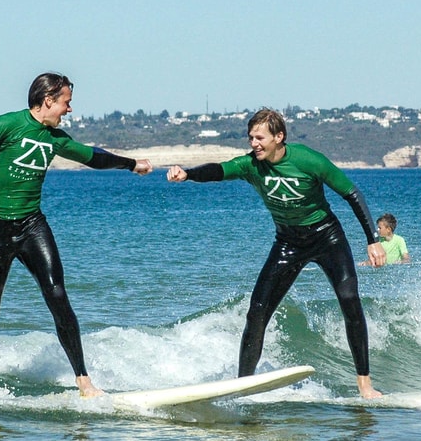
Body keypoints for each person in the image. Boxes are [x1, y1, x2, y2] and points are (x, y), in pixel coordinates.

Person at [0, 73, 153, 397]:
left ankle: (84, 382)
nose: (69, 109)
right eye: (66, 102)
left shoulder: (55, 139)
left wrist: (131, 164)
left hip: (32, 225)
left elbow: (93, 156)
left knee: (57, 295)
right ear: (48, 100)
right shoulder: (9, 124)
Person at [166, 108, 387, 399]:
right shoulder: (250, 166)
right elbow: (219, 170)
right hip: (288, 243)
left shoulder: (308, 160)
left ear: (278, 137)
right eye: (251, 138)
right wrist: (188, 174)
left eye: (260, 137)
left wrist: (372, 240)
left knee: (350, 302)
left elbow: (351, 193)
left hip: (327, 238)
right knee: (256, 313)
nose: (253, 143)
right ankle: (242, 386)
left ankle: (365, 385)